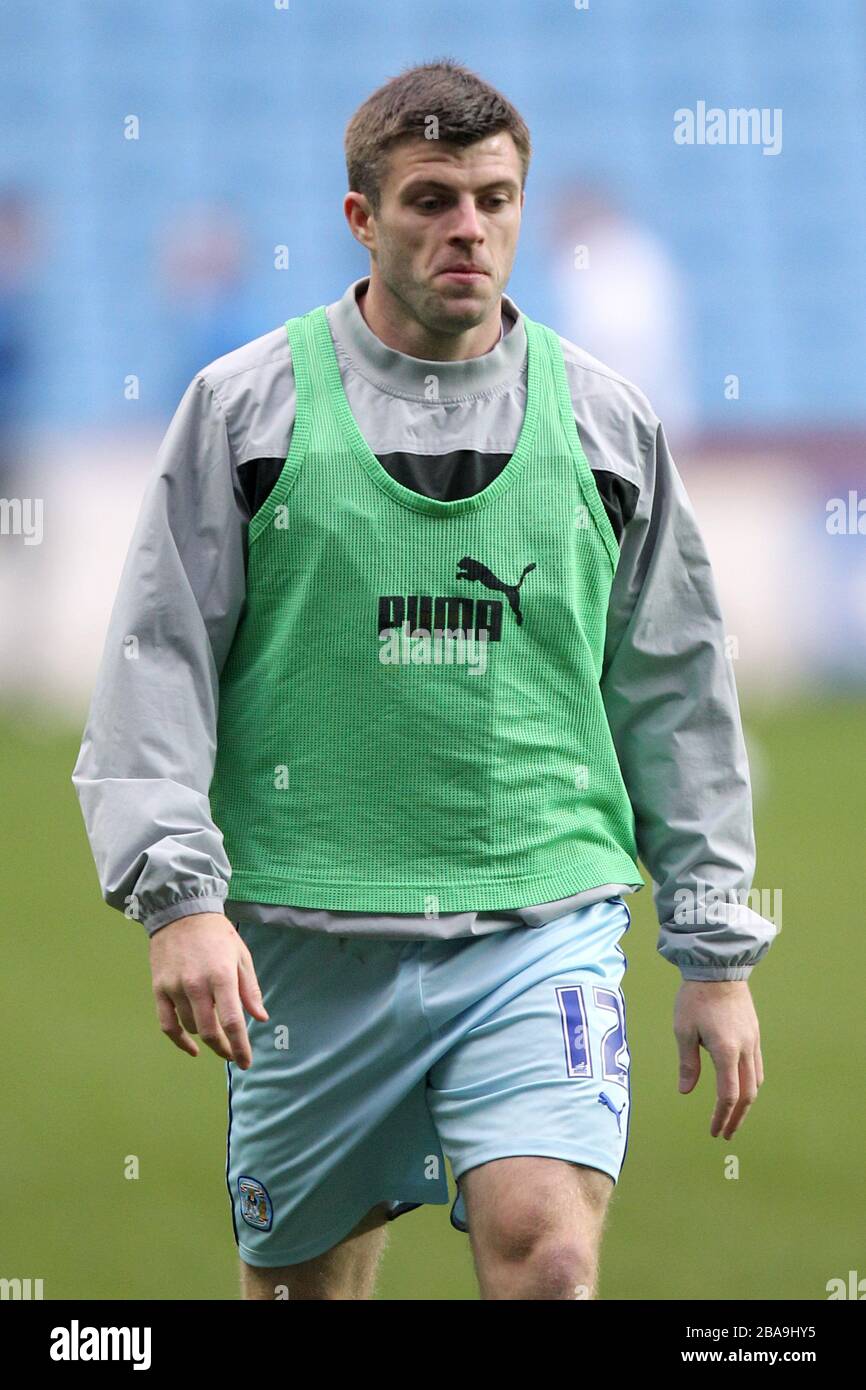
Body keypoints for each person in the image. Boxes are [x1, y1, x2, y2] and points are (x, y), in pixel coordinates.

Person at [72, 58, 776, 1301]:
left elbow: (675, 690)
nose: (468, 228)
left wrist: (711, 953)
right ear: (361, 217)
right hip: (300, 947)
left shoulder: (606, 425)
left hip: (537, 924)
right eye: (432, 199)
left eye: (494, 199)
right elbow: (157, 658)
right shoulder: (246, 412)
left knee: (548, 1258)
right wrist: (177, 898)